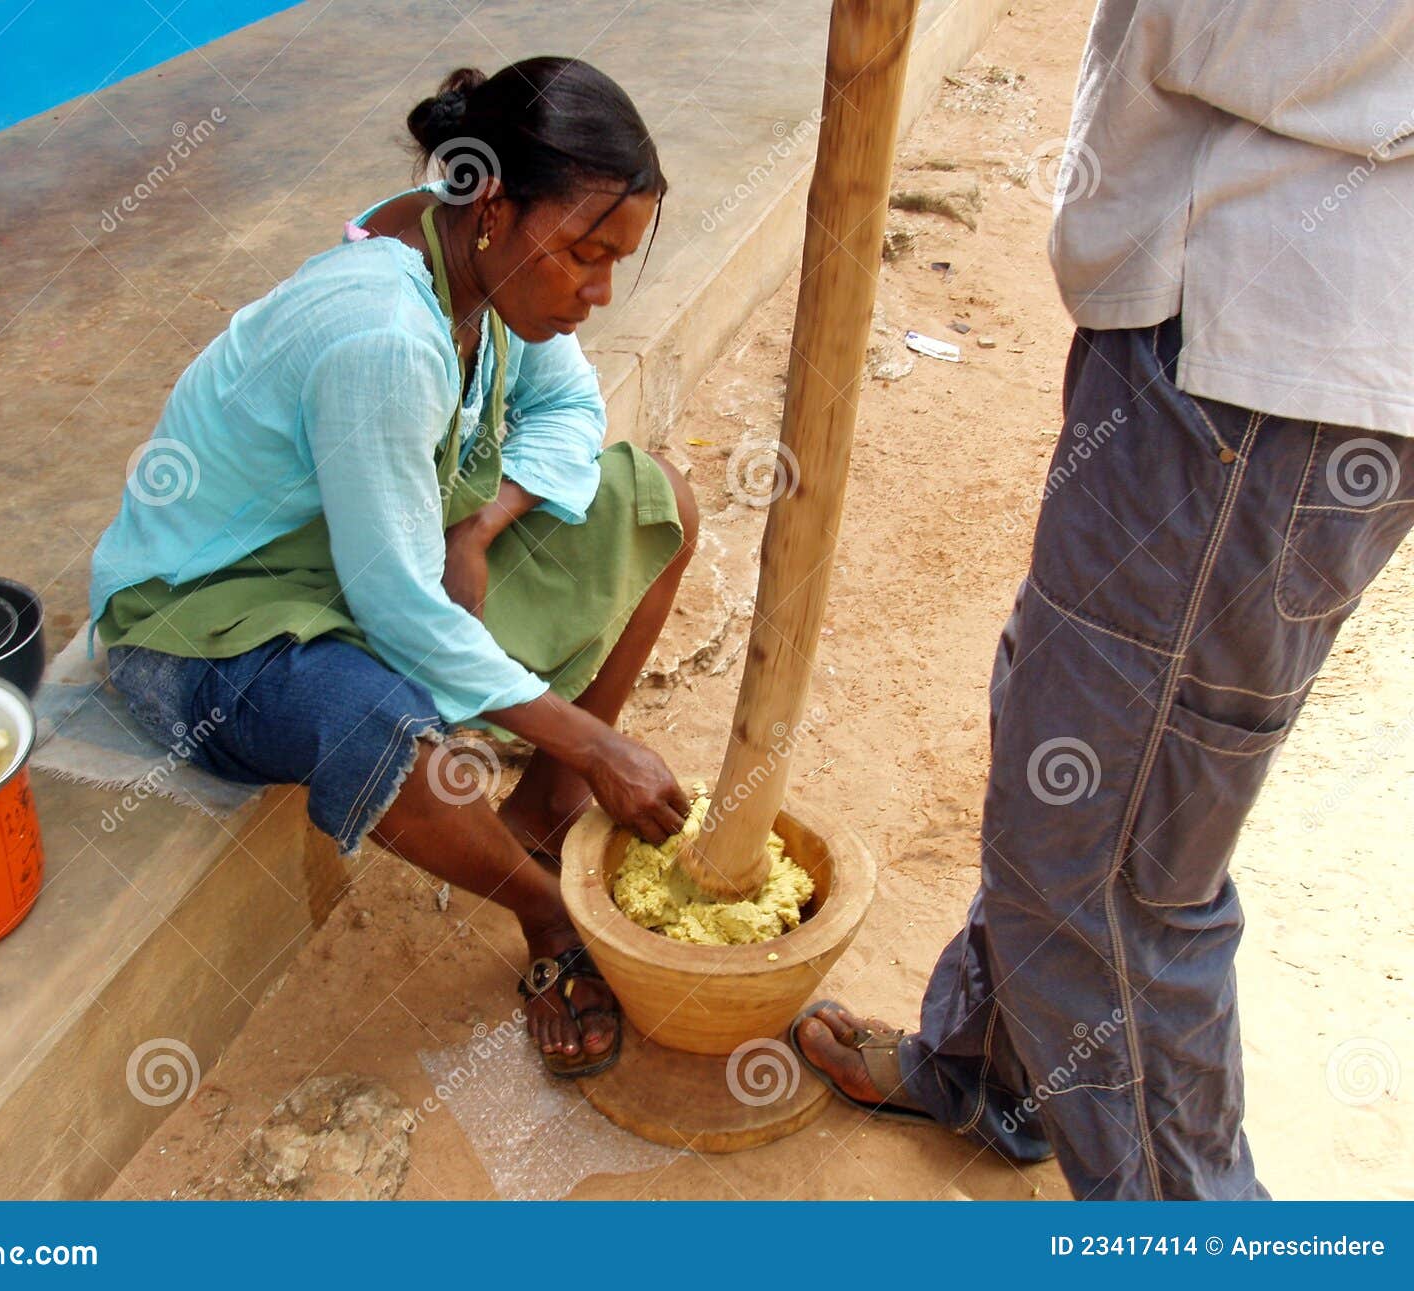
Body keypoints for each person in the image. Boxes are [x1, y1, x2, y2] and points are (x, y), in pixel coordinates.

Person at [793, 0, 1414, 1198]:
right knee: (1061, 735)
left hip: (1266, 357)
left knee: (1107, 868)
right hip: (1224, 314)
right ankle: (998, 1072)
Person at [88, 58, 699, 1078]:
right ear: (495, 206)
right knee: (374, 718)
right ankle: (550, 919)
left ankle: (543, 810)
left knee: (654, 500)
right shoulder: (384, 331)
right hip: (202, 624)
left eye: (613, 265)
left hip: (361, 562)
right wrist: (598, 741)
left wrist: (479, 527)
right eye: (584, 257)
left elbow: (569, 407)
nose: (596, 294)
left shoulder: (480, 262)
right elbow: (404, 611)